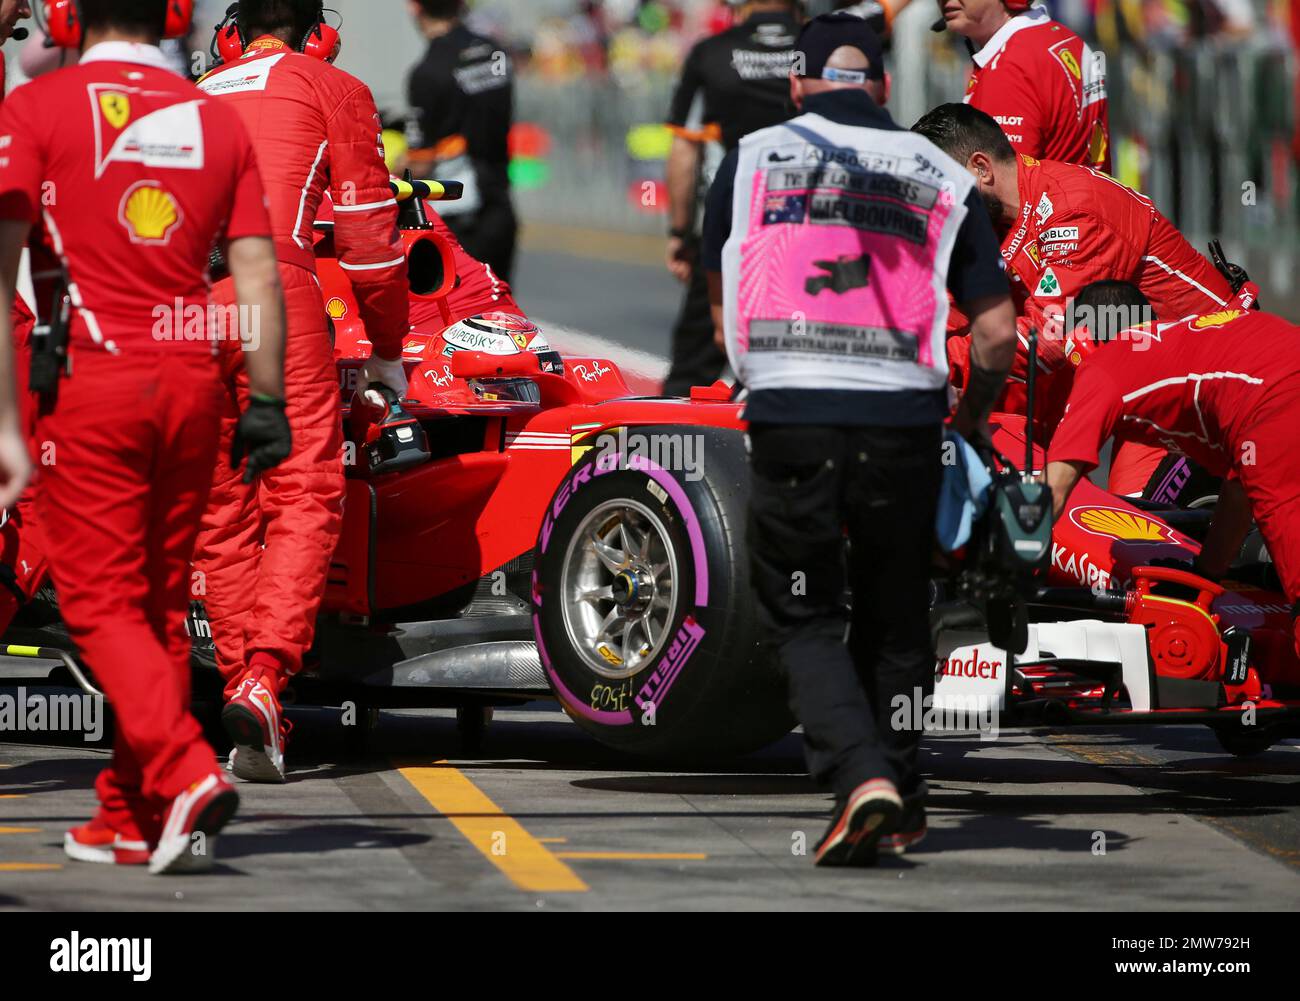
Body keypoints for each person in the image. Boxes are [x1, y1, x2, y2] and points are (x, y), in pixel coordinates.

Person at [701, 14, 1016, 864]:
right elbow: (995, 332)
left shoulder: (753, 157)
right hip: (905, 423)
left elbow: (723, 307)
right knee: (896, 613)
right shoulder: (939, 174)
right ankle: (902, 792)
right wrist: (974, 416)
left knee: (802, 611)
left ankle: (860, 775)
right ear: (880, 85)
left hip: (793, 415)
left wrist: (763, 370)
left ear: (797, 83)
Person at [0, 0, 291, 872]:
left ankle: (182, 773)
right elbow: (255, 273)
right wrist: (267, 401)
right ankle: (129, 812)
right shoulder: (218, 118)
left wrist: (6, 424)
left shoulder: (37, 108)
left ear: (63, 16)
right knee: (161, 602)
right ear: (174, 14)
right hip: (195, 381)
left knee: (95, 600)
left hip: (93, 383)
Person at [195, 0, 410, 784]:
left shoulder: (197, 93)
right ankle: (263, 675)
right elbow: (370, 243)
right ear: (319, 33)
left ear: (229, 34)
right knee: (307, 492)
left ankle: (247, 699)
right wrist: (388, 352)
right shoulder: (330, 86)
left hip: (185, 305)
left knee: (222, 506)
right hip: (275, 289)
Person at [913, 103, 1240, 494]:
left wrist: (938, 358)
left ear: (981, 168)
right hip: (1144, 384)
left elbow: (1051, 339)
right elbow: (956, 310)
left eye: (941, 189)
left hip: (1209, 383)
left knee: (1126, 526)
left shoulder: (1074, 209)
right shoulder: (998, 217)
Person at [1044, 282, 1300, 661]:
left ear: (1081, 338)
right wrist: (1206, 574)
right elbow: (1239, 490)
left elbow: (1054, 486)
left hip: (1274, 405)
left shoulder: (1105, 364)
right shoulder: (1177, 342)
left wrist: (1000, 566)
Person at [662, 0, 801, 397]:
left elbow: (685, 151)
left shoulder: (712, 52)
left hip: (732, 228)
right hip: (812, 229)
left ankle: (675, 449)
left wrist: (679, 232)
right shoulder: (819, 46)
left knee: (690, 373)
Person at [406, 0, 517, 282]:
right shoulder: (494, 52)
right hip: (499, 203)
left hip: (457, 217)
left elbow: (421, 163)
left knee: (456, 315)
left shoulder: (428, 72)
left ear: (415, 8)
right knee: (501, 310)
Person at [939, 0, 1110, 171]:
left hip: (1054, 195)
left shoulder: (1009, 66)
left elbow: (1000, 187)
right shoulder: (1067, 39)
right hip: (1087, 194)